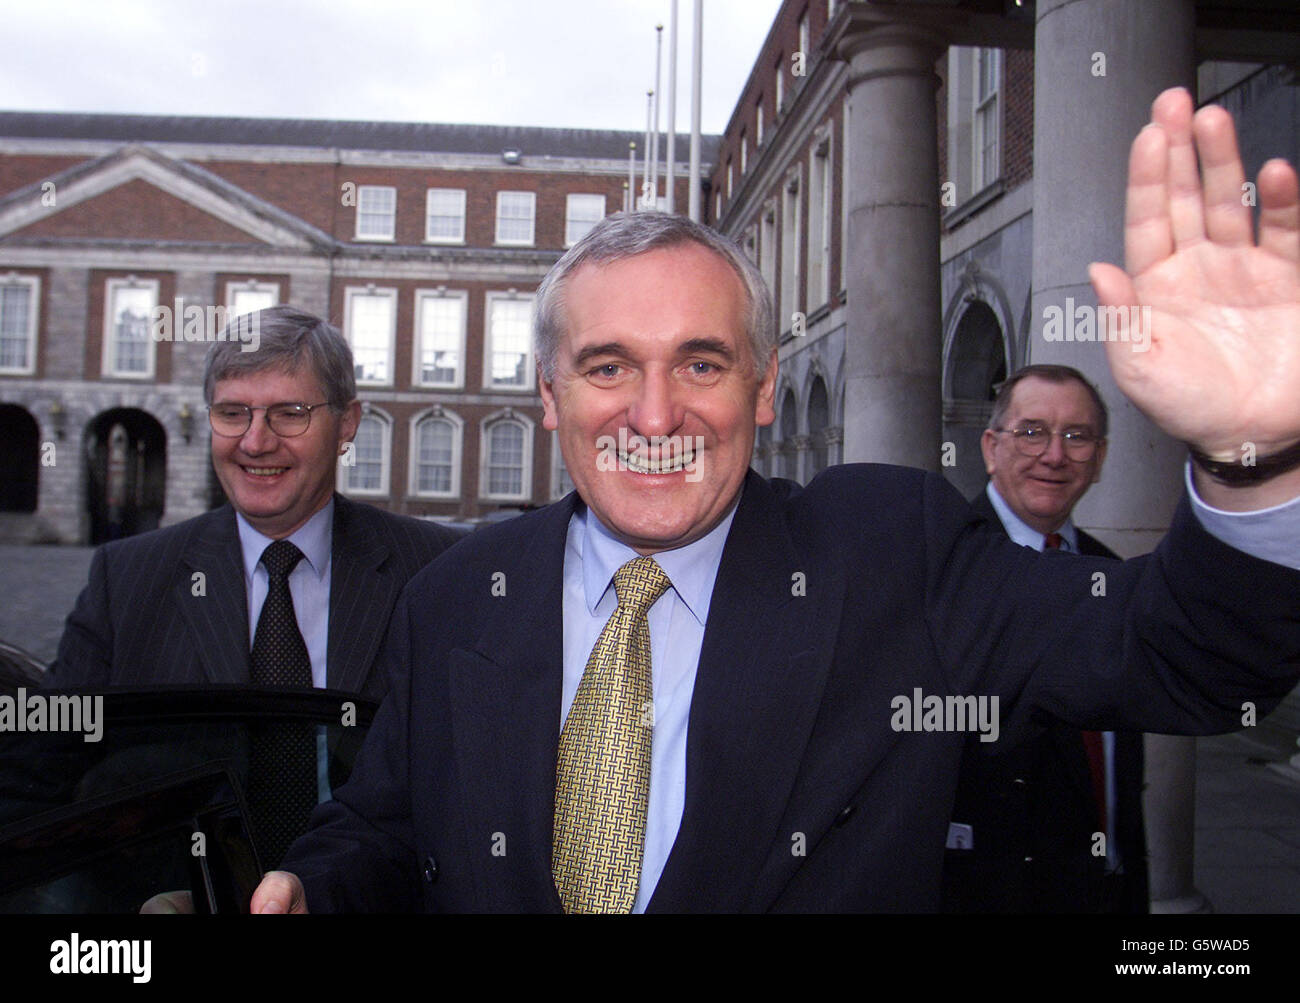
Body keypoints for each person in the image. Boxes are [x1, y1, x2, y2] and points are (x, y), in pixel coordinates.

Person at [255, 88, 1300, 913]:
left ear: (762, 392)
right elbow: (389, 825)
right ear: (549, 397)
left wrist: (1251, 448)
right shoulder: (454, 597)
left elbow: (1186, 658)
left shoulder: (892, 555)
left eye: (700, 365)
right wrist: (316, 887)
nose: (655, 416)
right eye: (610, 366)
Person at [47, 305, 462, 699]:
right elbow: (46, 748)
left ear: (346, 425)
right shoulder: (125, 580)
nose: (255, 442)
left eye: (289, 413)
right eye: (231, 413)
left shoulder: (434, 568)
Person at [941, 365, 1147, 913]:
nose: (1054, 456)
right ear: (990, 447)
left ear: (1099, 459)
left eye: (1076, 437)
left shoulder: (1111, 574)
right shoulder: (938, 568)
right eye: (1031, 431)